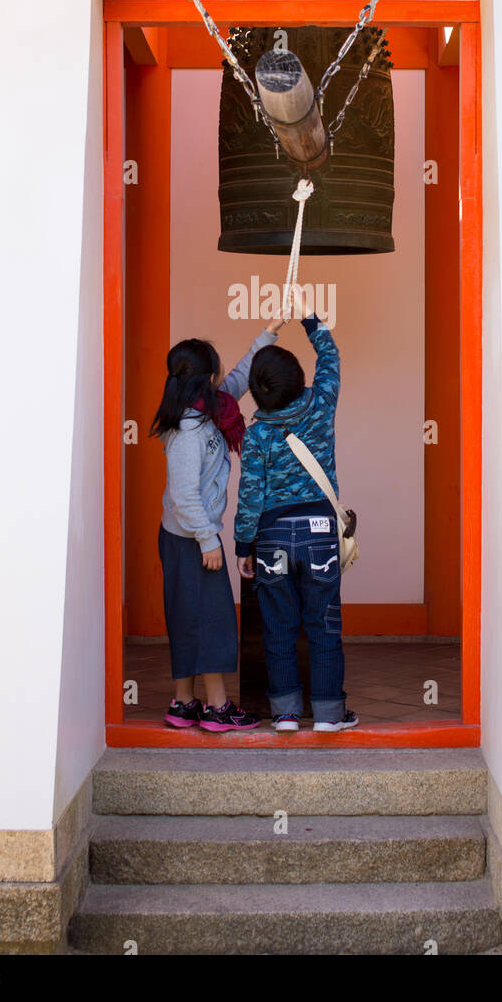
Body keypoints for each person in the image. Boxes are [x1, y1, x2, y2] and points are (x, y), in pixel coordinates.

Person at [151, 313, 283, 730]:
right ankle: (217, 708)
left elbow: (243, 376)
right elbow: (184, 495)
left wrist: (269, 333)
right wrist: (209, 540)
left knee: (190, 616)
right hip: (191, 538)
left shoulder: (210, 407)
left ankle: (184, 703)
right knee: (212, 620)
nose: (225, 372)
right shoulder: (188, 433)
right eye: (217, 367)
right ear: (205, 378)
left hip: (191, 536)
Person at [234, 287, 357, 733]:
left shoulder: (256, 435)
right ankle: (328, 715)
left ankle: (285, 713)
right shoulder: (321, 406)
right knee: (323, 625)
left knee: (279, 627)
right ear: (298, 378)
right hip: (320, 529)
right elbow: (332, 358)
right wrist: (309, 318)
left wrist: (243, 545)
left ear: (257, 392)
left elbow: (250, 496)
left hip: (271, 539)